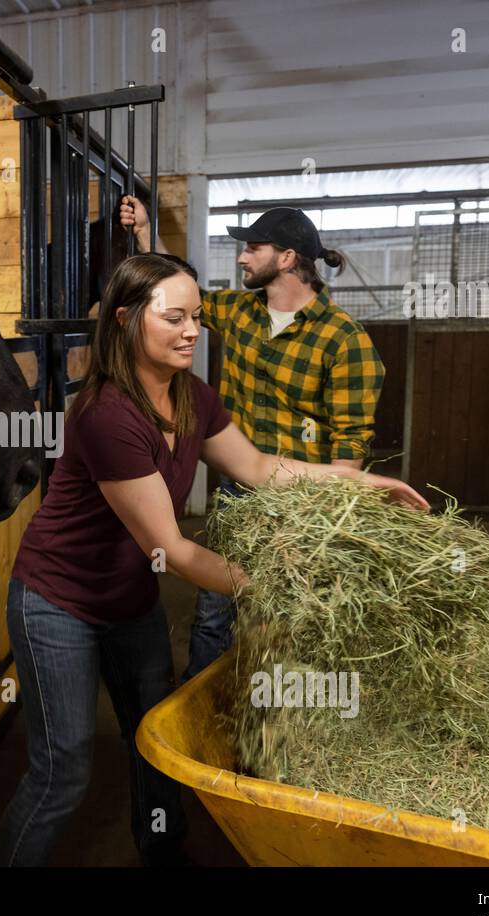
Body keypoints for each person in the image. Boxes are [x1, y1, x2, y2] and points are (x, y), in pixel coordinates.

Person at [0, 254, 425, 867]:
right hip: (59, 602)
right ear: (126, 320)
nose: (193, 330)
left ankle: (163, 853)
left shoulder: (192, 394)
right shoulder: (106, 415)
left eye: (195, 317)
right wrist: (273, 586)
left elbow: (259, 468)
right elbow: (174, 549)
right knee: (63, 772)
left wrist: (360, 484)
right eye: (174, 318)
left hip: (130, 601)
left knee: (155, 740)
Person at [119, 198, 385, 683]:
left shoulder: (345, 341)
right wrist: (144, 232)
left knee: (288, 620)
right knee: (215, 614)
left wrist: (335, 519)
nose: (241, 257)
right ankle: (200, 710)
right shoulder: (239, 311)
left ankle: (281, 726)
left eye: (252, 248)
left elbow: (351, 445)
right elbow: (182, 291)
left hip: (302, 504)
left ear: (286, 259)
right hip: (238, 496)